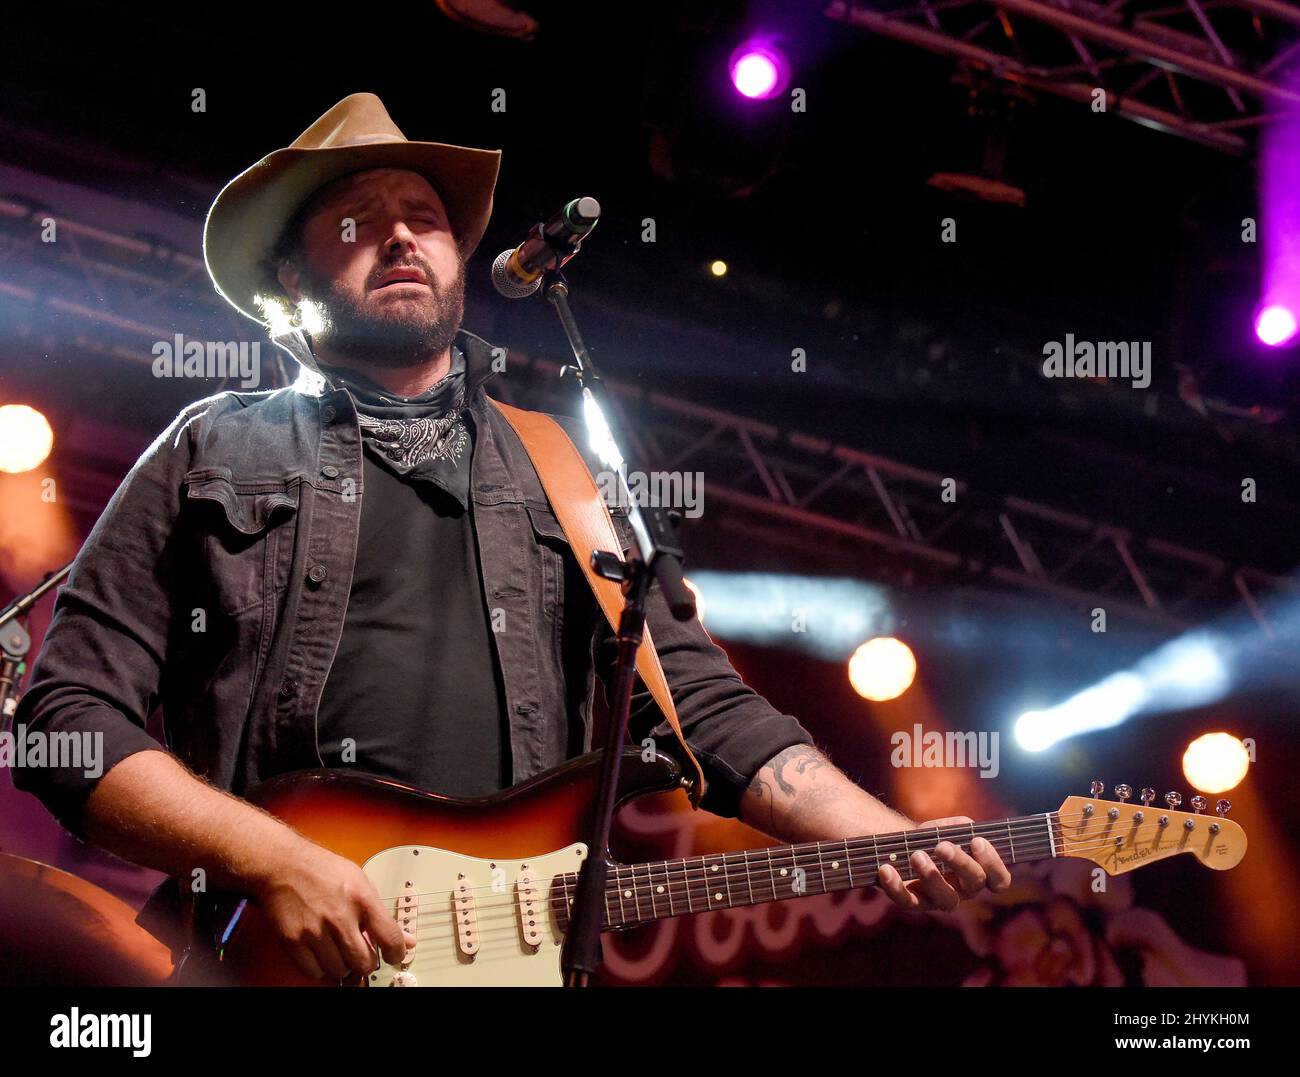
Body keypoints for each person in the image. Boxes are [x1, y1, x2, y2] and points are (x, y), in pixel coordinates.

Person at [13, 93, 1010, 982]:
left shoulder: (558, 469)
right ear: (288, 274)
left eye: (427, 219)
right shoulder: (215, 446)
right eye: (358, 221)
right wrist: (271, 857)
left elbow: (699, 705)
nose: (402, 239)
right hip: (262, 957)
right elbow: (65, 721)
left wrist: (878, 832)